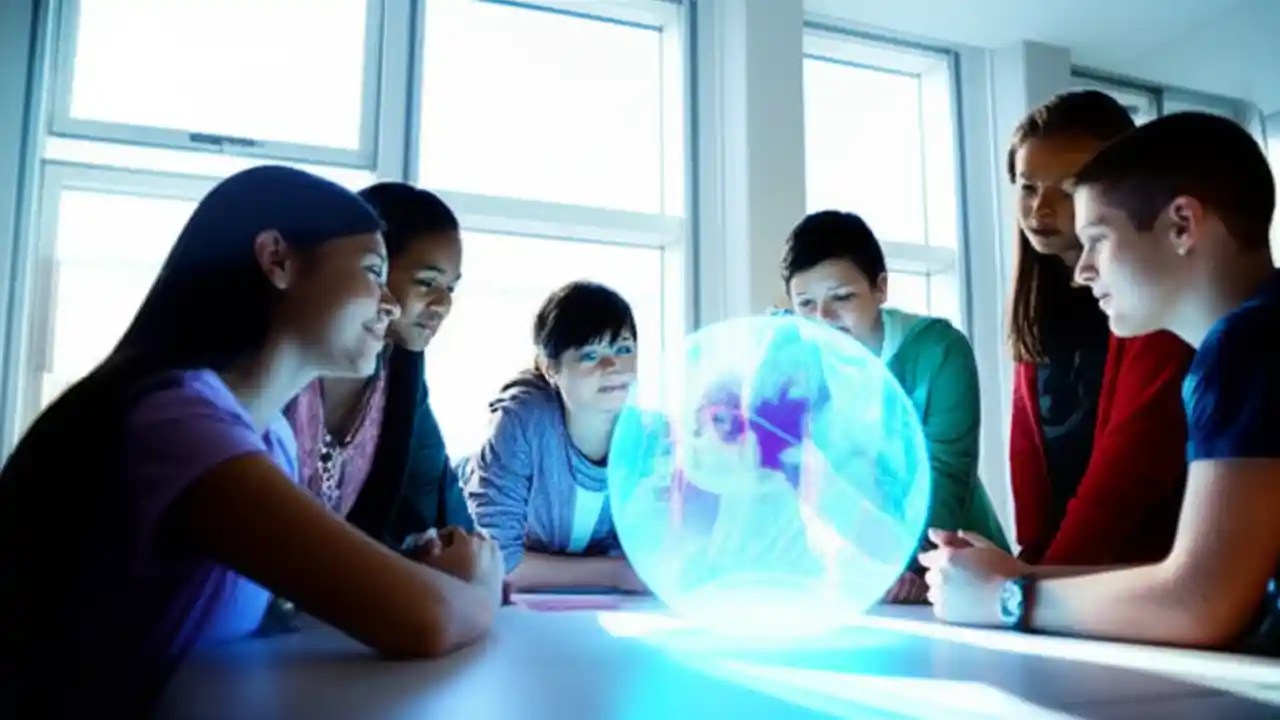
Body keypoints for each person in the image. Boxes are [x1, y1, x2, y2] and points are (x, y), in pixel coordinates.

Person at [0, 167, 503, 715]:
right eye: (372, 270)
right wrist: (479, 585)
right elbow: (428, 620)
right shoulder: (181, 422)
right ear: (278, 260)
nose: (389, 302)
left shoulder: (272, 438)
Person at [922, 112, 1279, 654]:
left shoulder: (1245, 348)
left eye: (1097, 240)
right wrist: (1018, 574)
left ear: (1182, 225)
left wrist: (1006, 597)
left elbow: (1201, 602)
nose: (1081, 270)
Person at [1004, 91, 1193, 567]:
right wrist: (1028, 562)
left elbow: (1126, 479)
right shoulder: (1037, 306)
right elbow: (1029, 459)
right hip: (1066, 577)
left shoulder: (1153, 308)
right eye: (1028, 187)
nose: (1039, 209)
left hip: (1143, 577)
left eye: (1067, 189)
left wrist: (1029, 588)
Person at [782, 210, 1008, 603]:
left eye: (843, 297)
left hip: (955, 567)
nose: (823, 319)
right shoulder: (790, 364)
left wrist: (908, 566)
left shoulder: (939, 352)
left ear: (880, 288)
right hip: (850, 579)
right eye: (805, 304)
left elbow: (946, 472)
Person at [284, 181, 471, 550]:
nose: (443, 305)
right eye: (427, 282)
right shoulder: (286, 363)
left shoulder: (402, 368)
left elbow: (429, 482)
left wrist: (464, 552)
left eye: (450, 289)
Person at [464, 280, 647, 593]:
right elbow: (495, 561)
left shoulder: (647, 437)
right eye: (590, 354)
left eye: (623, 349)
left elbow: (658, 547)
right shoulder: (523, 420)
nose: (612, 366)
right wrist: (615, 574)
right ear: (551, 368)